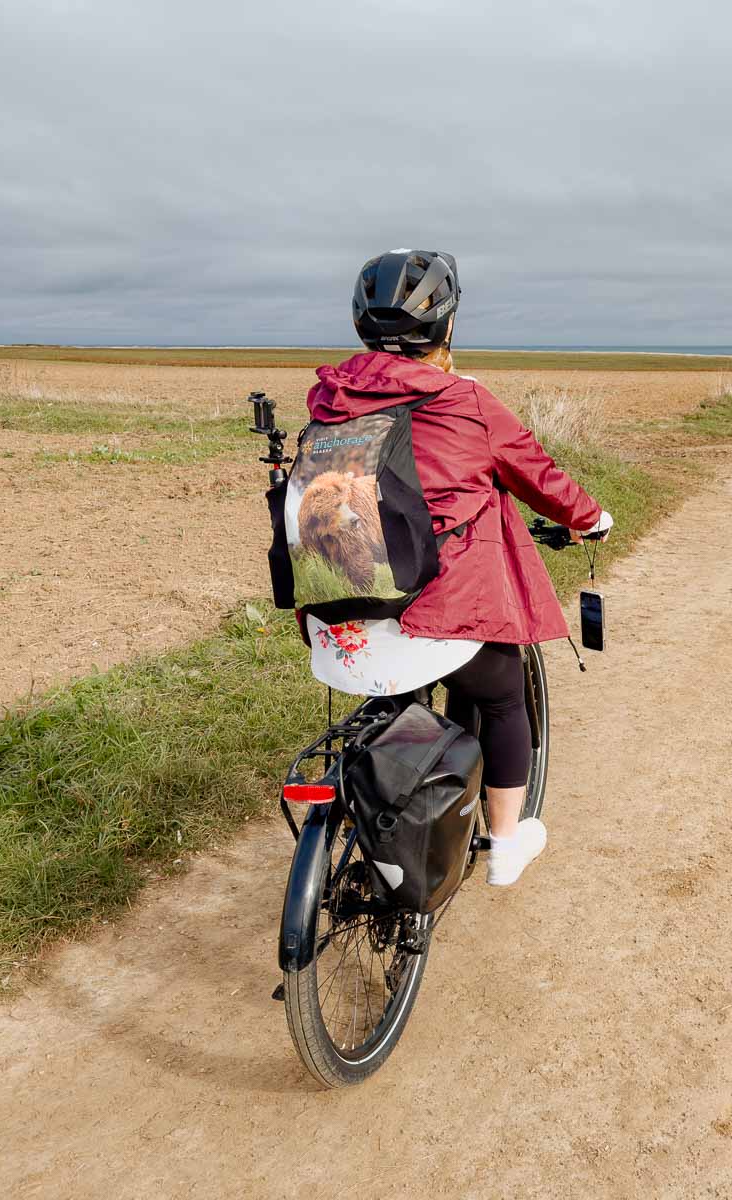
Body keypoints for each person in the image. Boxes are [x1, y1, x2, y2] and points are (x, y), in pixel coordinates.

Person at [304, 249, 612, 887]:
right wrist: (591, 518)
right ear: (445, 327)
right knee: (500, 694)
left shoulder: (330, 401)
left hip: (342, 619)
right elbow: (541, 477)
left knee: (416, 689)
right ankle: (504, 845)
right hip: (440, 617)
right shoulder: (465, 401)